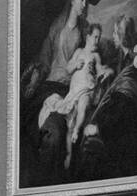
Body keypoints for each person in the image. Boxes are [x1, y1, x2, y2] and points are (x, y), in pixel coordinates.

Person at [21, 0, 91, 185]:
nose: (85, 4)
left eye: (86, 0)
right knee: (29, 124)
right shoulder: (57, 25)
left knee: (55, 131)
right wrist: (35, 80)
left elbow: (89, 57)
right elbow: (45, 58)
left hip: (67, 87)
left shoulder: (84, 30)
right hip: (49, 84)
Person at [73, 14, 137, 183]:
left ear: (122, 35)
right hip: (116, 116)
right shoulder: (121, 58)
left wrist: (99, 127)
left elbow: (125, 100)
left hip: (126, 125)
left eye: (116, 33)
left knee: (91, 145)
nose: (113, 36)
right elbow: (116, 75)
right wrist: (110, 72)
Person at [36, 22, 112, 169]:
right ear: (88, 36)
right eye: (95, 37)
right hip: (73, 93)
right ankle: (68, 160)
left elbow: (101, 69)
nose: (97, 41)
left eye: (99, 38)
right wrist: (76, 64)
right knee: (67, 130)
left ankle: (77, 129)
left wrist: (106, 72)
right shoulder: (78, 52)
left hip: (86, 90)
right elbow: (68, 68)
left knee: (83, 106)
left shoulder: (95, 56)